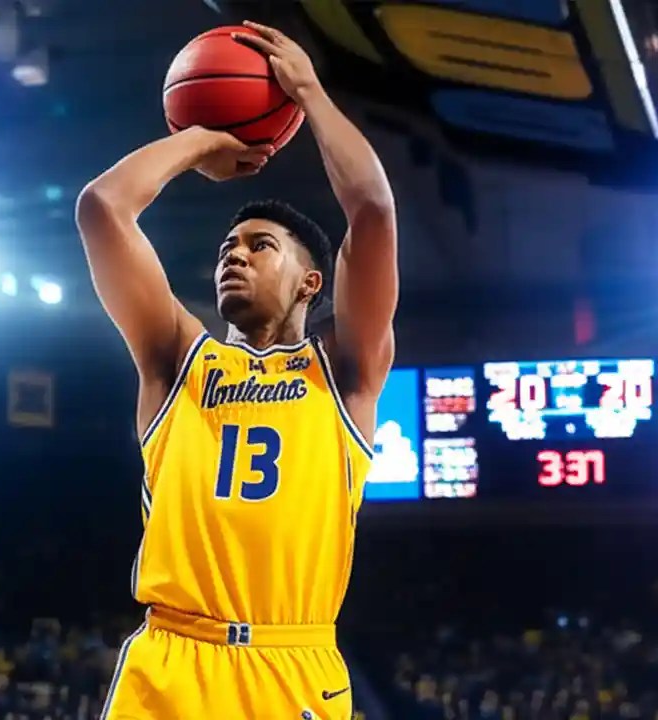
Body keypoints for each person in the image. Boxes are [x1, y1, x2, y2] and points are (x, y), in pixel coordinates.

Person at [75, 20, 398, 720]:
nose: (235, 254)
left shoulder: (344, 371)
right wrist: (205, 142)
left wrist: (307, 92)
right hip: (173, 659)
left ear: (313, 283)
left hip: (294, 664)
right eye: (227, 245)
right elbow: (102, 207)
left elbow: (371, 210)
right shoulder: (177, 358)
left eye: (260, 246)